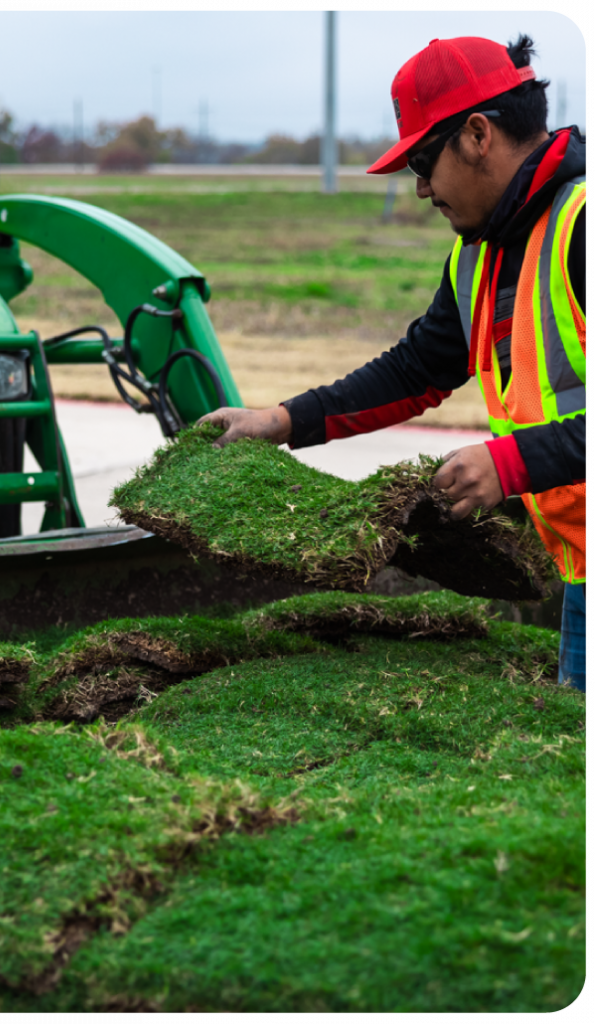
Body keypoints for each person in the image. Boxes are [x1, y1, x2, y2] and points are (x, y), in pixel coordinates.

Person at [199, 35, 587, 692]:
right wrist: (283, 421)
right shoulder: (481, 253)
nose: (420, 190)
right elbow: (416, 370)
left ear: (477, 134)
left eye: (423, 163)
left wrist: (510, 464)